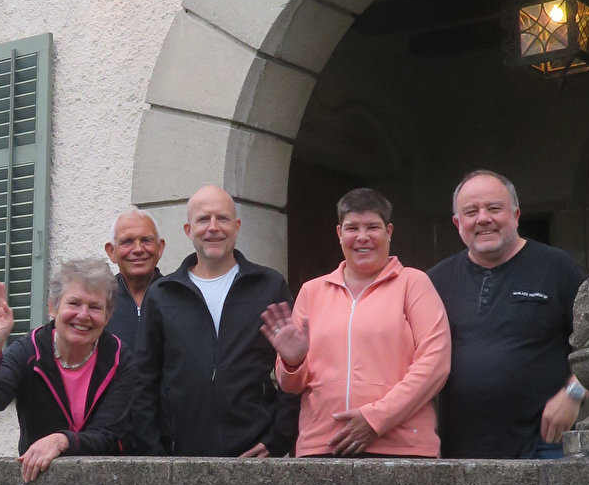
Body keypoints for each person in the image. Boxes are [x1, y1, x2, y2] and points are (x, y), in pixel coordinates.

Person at [261, 188, 451, 457]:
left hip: (399, 446)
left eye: (372, 227)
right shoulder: (312, 291)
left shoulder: (414, 283)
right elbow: (291, 385)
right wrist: (292, 363)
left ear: (389, 232)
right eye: (352, 228)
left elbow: (435, 364)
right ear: (339, 233)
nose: (362, 237)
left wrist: (376, 419)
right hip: (321, 446)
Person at [130, 185, 299, 457]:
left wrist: (277, 439)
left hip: (253, 455)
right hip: (179, 457)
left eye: (222, 218)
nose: (213, 228)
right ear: (188, 230)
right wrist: (156, 454)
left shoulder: (268, 286)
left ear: (237, 226)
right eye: (203, 219)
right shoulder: (162, 294)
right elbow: (143, 381)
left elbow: (292, 368)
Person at [428, 170, 586, 459]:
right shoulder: (435, 282)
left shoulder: (558, 268)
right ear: (457, 223)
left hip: (545, 444)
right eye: (471, 212)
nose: (483, 218)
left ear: (516, 215)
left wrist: (574, 394)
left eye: (494, 208)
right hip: (458, 450)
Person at [0, 258, 135, 481]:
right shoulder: (29, 351)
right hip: (40, 483)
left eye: (95, 307)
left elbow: (107, 436)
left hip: (103, 483)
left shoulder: (120, 359)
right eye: (74, 303)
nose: (83, 315)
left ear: (107, 316)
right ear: (53, 307)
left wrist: (62, 441)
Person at [104, 209, 165, 351]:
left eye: (146, 240)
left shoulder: (177, 297)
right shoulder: (100, 301)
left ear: (160, 248)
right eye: (127, 242)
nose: (138, 249)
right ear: (111, 251)